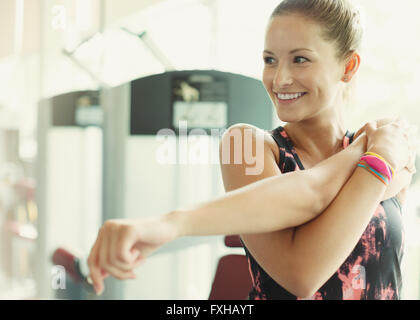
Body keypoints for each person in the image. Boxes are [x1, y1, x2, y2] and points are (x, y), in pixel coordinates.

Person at [86, 0, 418, 299]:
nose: (280, 78)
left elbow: (317, 192)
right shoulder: (244, 144)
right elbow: (301, 275)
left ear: (348, 66)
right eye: (269, 60)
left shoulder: (389, 148)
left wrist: (372, 154)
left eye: (300, 59)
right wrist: (372, 156)